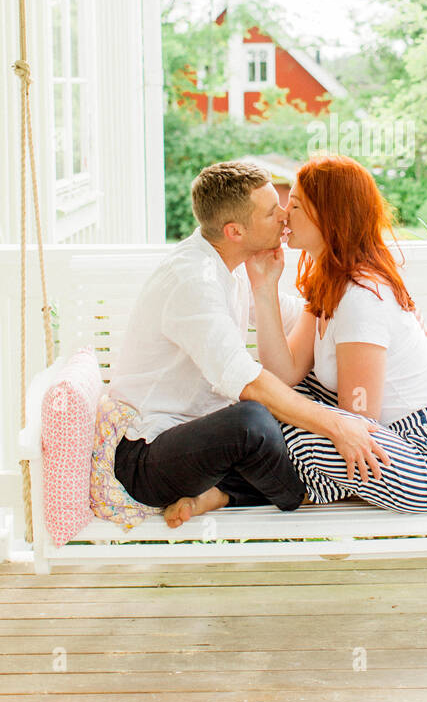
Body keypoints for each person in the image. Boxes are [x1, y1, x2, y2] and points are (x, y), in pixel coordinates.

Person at [110, 161, 391, 528]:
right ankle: (314, 495)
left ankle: (226, 494)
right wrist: (338, 426)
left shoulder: (230, 264)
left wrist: (379, 313)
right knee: (251, 419)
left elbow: (304, 317)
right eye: (272, 212)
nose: (284, 215)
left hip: (202, 442)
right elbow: (248, 382)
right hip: (148, 455)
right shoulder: (193, 281)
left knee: (286, 401)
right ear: (235, 231)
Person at [248, 155, 427, 510]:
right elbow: (284, 373)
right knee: (276, 398)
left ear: (328, 216)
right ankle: (293, 486)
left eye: (294, 205)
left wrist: (285, 410)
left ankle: (254, 490)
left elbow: (358, 423)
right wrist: (263, 287)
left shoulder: (361, 297)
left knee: (286, 424)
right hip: (389, 441)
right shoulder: (329, 283)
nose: (284, 214)